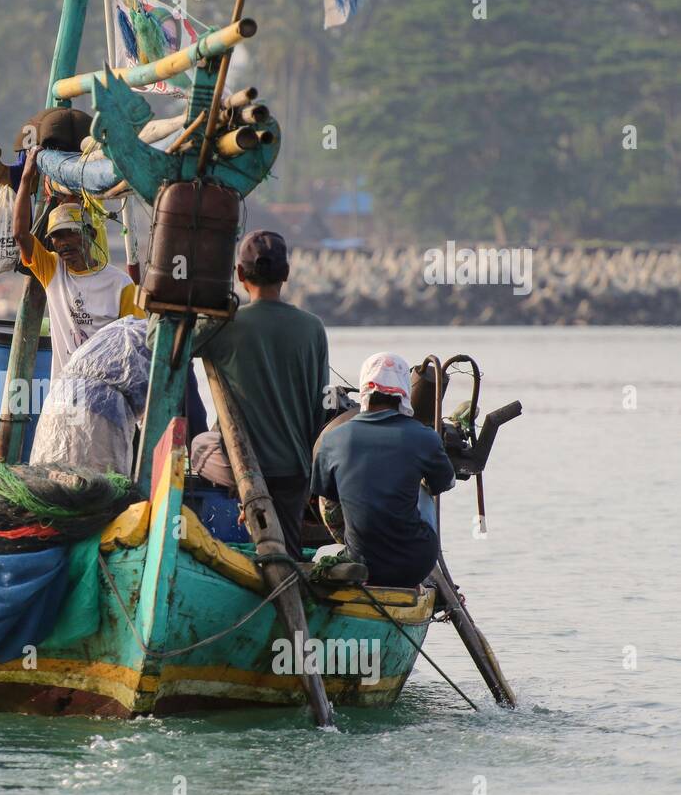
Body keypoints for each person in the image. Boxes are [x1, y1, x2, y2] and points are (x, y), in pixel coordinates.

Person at [181, 230, 329, 560]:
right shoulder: (312, 327)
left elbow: (161, 347)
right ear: (287, 274)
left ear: (239, 275)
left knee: (199, 444)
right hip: (295, 468)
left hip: (242, 466)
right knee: (288, 552)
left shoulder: (223, 324)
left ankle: (241, 504)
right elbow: (321, 407)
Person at [310, 352, 457, 587]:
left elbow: (327, 495)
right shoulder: (424, 436)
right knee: (425, 486)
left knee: (328, 501)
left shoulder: (333, 439)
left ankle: (354, 549)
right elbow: (445, 483)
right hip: (417, 565)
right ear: (403, 392)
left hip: (361, 563)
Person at [13, 146, 141, 378]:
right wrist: (26, 178)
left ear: (90, 235)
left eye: (71, 233)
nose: (64, 243)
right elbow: (21, 234)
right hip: (63, 394)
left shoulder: (120, 285)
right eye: (57, 237)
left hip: (104, 394)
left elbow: (136, 347)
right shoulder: (53, 270)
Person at [29, 317, 150, 474]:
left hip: (58, 399)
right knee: (99, 491)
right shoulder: (170, 345)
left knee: (48, 484)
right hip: (100, 411)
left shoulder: (125, 326)